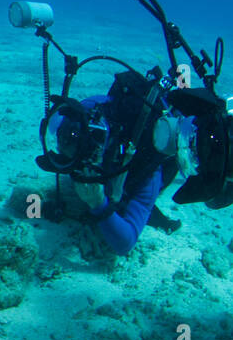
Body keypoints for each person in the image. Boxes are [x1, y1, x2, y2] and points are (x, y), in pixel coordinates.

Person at [50, 94, 181, 255]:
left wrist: (98, 204)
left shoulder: (149, 174)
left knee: (123, 202)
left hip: (139, 168)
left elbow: (124, 245)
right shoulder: (93, 108)